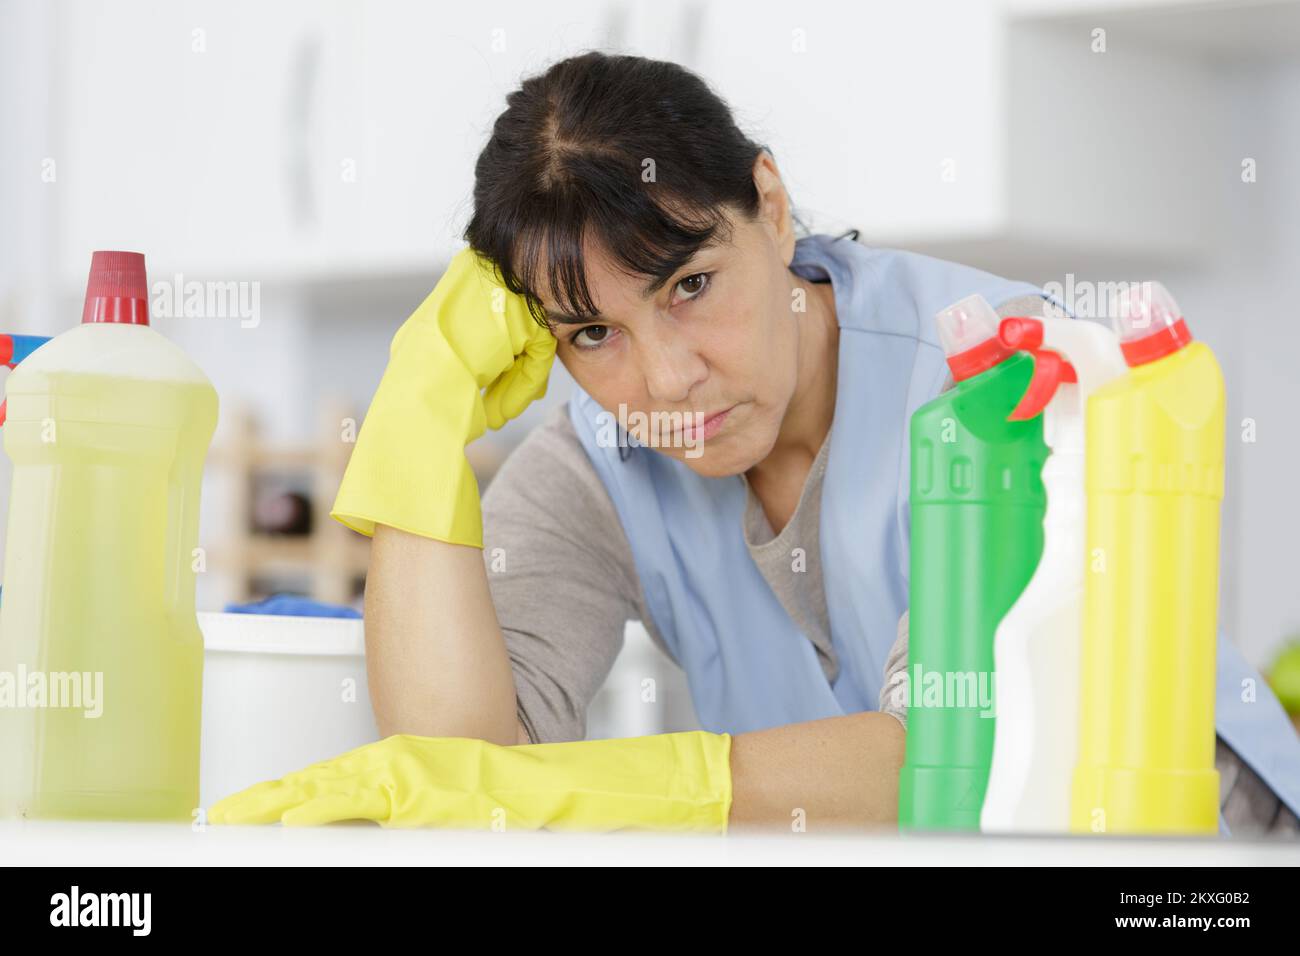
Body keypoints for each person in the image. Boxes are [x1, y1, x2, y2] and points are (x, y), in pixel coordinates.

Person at [210, 51, 1299, 837]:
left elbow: (964, 752)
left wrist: (617, 791)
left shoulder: (1002, 374)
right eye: (592, 332)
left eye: (689, 285)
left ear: (769, 207)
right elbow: (459, 767)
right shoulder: (598, 455)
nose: (665, 382)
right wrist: (420, 413)